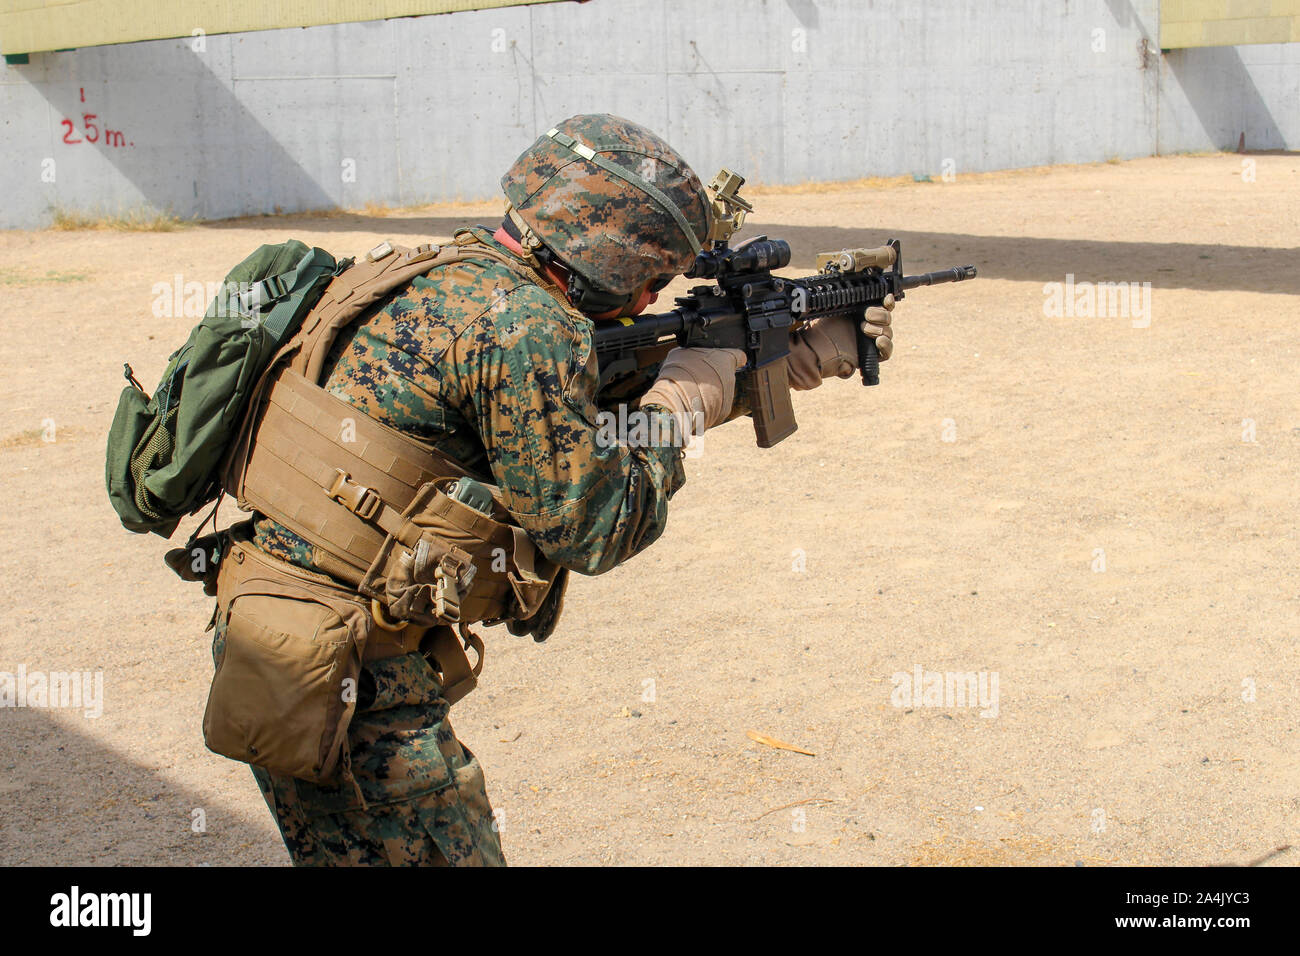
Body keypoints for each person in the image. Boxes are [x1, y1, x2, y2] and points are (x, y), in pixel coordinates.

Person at [226, 113, 894, 866]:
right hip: (348, 678)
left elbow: (547, 427)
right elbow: (599, 524)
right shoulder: (524, 327)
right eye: (648, 279)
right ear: (608, 257)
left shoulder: (451, 269)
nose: (648, 300)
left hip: (290, 637)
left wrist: (761, 371)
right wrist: (684, 404)